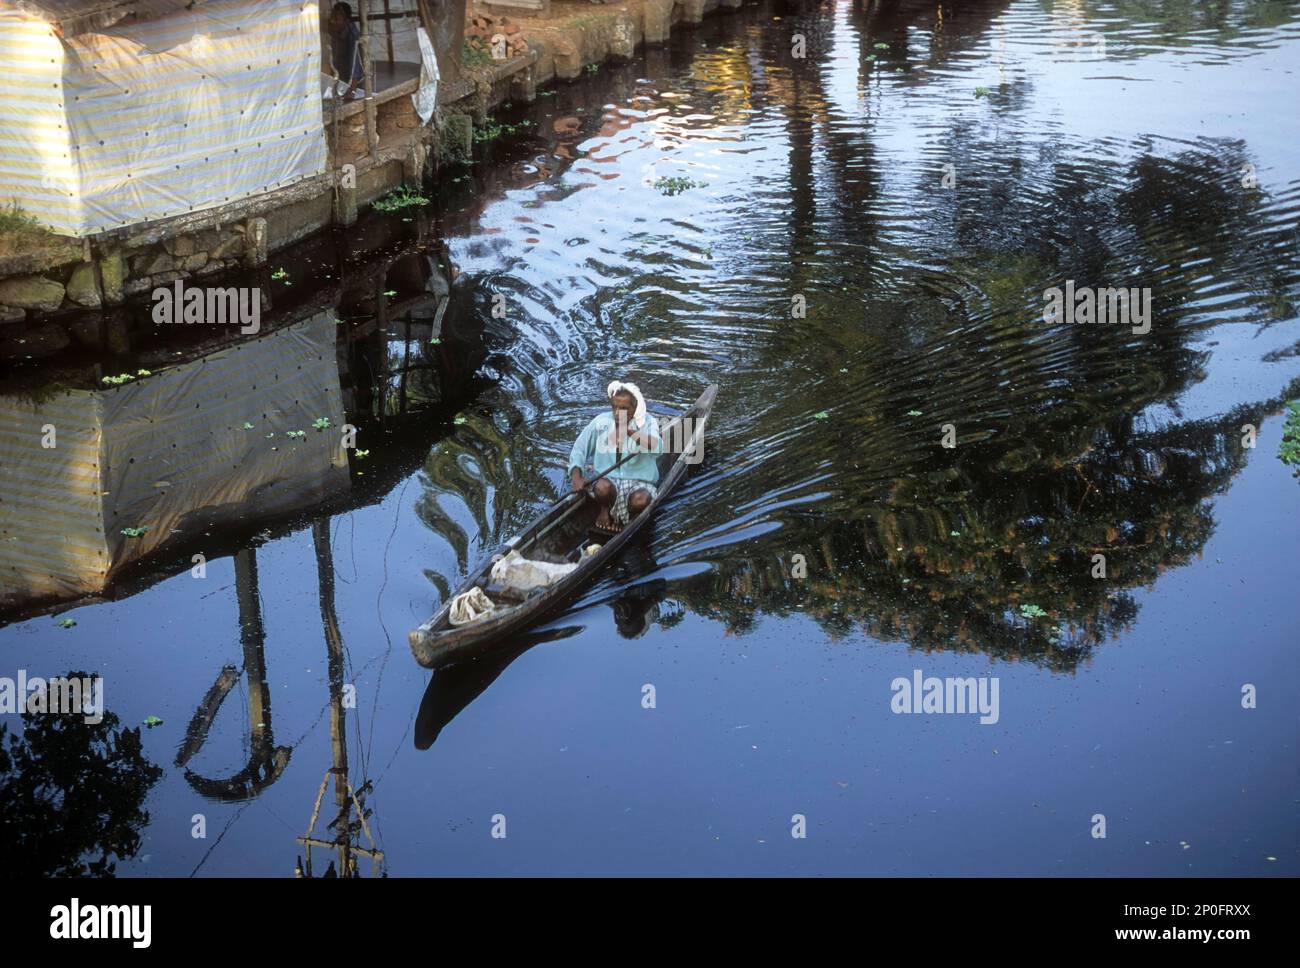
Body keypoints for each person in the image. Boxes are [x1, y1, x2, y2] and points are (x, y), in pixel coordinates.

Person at [569, 381, 663, 530]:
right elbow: (580, 448)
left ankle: (632, 520)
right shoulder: (601, 422)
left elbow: (658, 448)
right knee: (601, 487)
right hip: (609, 484)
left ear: (635, 409)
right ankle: (604, 511)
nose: (617, 413)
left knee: (640, 500)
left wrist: (630, 432)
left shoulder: (648, 422)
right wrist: (576, 475)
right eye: (614, 407)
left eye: (624, 409)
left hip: (639, 484)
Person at [328, 2, 365, 100]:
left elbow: (355, 68)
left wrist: (352, 91)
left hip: (355, 88)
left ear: (346, 20)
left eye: (336, 19)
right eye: (332, 17)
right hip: (342, 83)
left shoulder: (353, 37)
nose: (332, 21)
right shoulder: (337, 33)